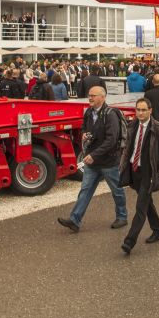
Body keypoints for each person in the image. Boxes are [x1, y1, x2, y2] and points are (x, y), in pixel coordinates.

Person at [58, 86, 128, 232]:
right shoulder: (89, 112)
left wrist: (93, 155)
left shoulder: (110, 115)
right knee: (85, 190)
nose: (90, 98)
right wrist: (84, 133)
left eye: (93, 95)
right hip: (92, 162)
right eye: (89, 95)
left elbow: (111, 140)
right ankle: (75, 220)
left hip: (109, 162)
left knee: (117, 191)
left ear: (103, 97)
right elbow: (84, 127)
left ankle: (122, 217)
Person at [119, 98, 159, 254]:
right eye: (138, 110)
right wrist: (123, 166)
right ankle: (158, 230)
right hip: (134, 170)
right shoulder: (132, 125)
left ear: (150, 111)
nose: (140, 113)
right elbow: (128, 147)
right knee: (147, 202)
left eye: (144, 110)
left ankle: (129, 242)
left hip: (149, 173)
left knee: (140, 207)